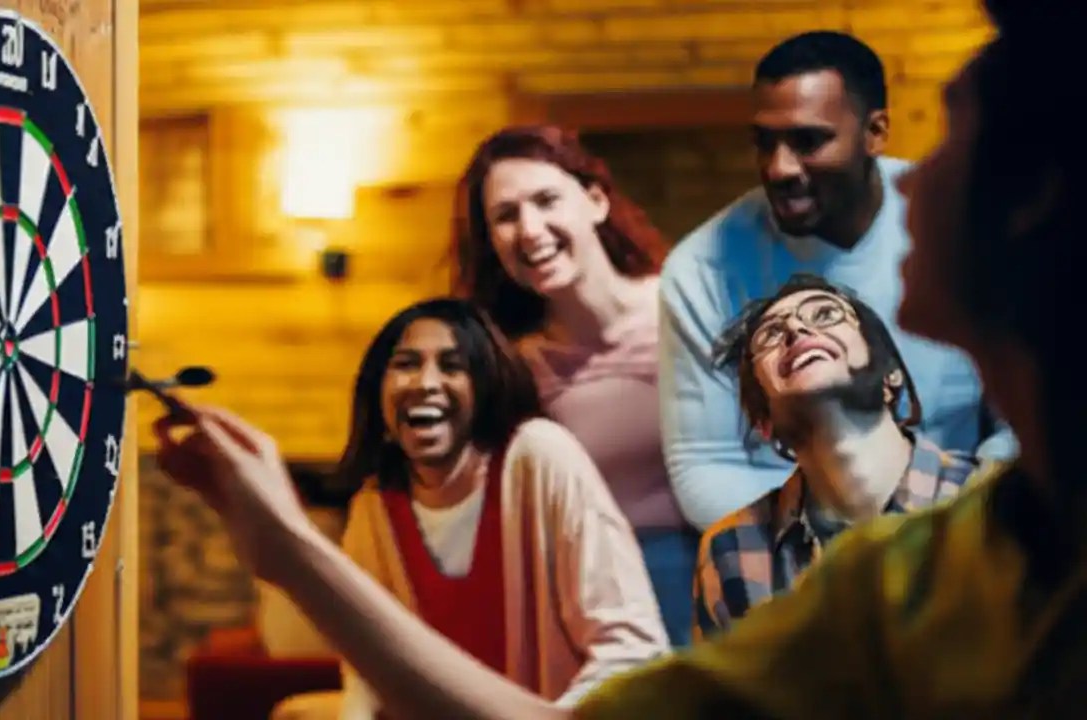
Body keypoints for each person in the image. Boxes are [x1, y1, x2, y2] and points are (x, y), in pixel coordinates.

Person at [152, 3, 1084, 713]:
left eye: (946, 135)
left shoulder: (895, 545)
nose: (908, 180)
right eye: (501, 216)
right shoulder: (904, 582)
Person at [656, 30, 1016, 529]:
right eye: (764, 142)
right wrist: (836, 539)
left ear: (876, 132)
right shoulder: (699, 270)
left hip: (969, 524)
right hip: (794, 550)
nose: (779, 168)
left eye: (808, 141)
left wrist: (942, 529)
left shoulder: (956, 218)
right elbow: (706, 463)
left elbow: (1022, 417)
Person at [286, 298, 670, 718]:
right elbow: (368, 669)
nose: (425, 383)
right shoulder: (374, 504)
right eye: (406, 364)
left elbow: (633, 649)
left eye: (452, 366)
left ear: (484, 386)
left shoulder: (538, 456)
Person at [449, 125, 699, 646]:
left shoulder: (692, 308)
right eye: (505, 215)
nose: (530, 228)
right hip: (591, 608)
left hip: (714, 587)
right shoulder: (510, 369)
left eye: (546, 201)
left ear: (595, 202)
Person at [692, 274, 976, 639]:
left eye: (824, 314)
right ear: (763, 423)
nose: (796, 327)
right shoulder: (731, 549)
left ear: (891, 374)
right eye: (771, 336)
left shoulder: (990, 499)